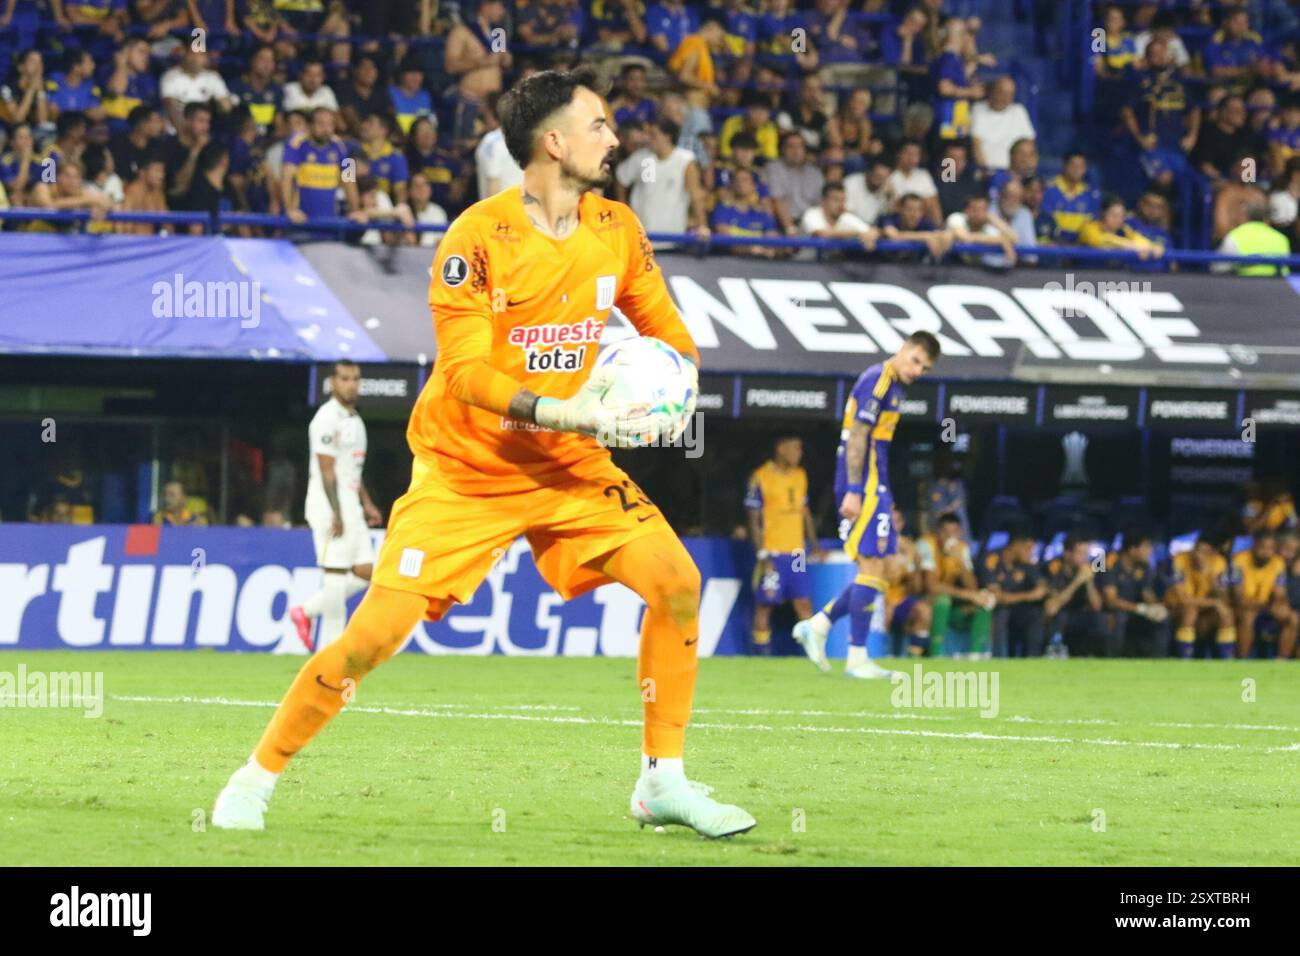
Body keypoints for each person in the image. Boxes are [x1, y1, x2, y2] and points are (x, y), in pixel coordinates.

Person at [211, 68, 756, 840]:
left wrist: (670, 393)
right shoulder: (476, 238)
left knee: (676, 584)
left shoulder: (618, 231)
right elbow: (464, 373)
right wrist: (566, 407)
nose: (614, 138)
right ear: (553, 142)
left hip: (568, 466)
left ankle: (661, 781)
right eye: (598, 125)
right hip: (467, 473)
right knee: (371, 639)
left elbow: (670, 337)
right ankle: (255, 776)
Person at [791, 332, 941, 677]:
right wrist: (855, 489)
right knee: (872, 564)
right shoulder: (878, 380)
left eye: (925, 368)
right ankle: (857, 657)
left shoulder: (896, 386)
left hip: (878, 482)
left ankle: (819, 623)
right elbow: (856, 436)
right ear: (903, 348)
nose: (918, 370)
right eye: (916, 360)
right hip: (865, 482)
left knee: (886, 567)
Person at [288, 361, 384, 652]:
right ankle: (331, 652)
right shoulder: (325, 418)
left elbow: (350, 469)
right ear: (333, 382)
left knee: (368, 572)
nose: (351, 384)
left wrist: (366, 503)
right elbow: (326, 469)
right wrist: (336, 512)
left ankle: (306, 612)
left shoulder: (354, 419)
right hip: (329, 507)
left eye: (355, 379)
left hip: (351, 505)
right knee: (335, 575)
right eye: (344, 379)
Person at [744, 436, 823, 655]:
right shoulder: (761, 477)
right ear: (781, 449)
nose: (800, 453)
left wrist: (814, 544)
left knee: (803, 603)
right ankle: (762, 656)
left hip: (797, 553)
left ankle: (813, 655)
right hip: (773, 553)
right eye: (796, 448)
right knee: (766, 604)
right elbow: (753, 516)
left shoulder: (800, 476)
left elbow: (805, 513)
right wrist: (762, 553)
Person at [1101, 530, 1168, 658]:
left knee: (1162, 618)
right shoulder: (1106, 561)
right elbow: (1110, 600)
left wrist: (1156, 607)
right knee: (1119, 619)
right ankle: (1112, 661)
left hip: (1133, 611)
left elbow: (1146, 592)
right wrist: (1140, 608)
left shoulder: (1145, 567)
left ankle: (1159, 661)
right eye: (1146, 547)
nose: (1150, 551)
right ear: (1132, 549)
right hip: (1107, 611)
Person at [1165, 537, 1235, 660]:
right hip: (1176, 609)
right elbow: (1183, 599)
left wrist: (1213, 582)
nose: (1199, 556)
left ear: (1212, 554)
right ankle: (1185, 660)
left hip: (1205, 610)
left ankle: (1227, 660)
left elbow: (1224, 599)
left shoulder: (1218, 563)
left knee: (1226, 613)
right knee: (1190, 611)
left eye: (1205, 552)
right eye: (1198, 551)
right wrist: (1214, 602)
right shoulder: (1179, 560)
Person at [1231, 532, 1296, 659]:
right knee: (1248, 616)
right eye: (1262, 547)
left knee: (1292, 618)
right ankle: (1242, 660)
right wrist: (1263, 605)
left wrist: (1279, 604)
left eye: (1270, 548)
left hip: (1265, 606)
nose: (1266, 552)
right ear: (1254, 546)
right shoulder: (1239, 560)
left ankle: (1281, 662)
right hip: (1243, 606)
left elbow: (1280, 593)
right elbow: (1238, 596)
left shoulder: (1278, 562)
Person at [983, 527, 1046, 657]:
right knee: (1001, 612)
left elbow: (1042, 587)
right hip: (991, 609)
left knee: (1036, 614)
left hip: (1016, 611)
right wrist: (1028, 596)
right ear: (1016, 545)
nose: (1031, 553)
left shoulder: (1026, 564)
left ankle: (1033, 660)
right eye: (1028, 549)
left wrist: (1041, 588)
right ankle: (998, 659)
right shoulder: (992, 559)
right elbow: (997, 597)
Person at [1043, 536, 1106, 657]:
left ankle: (1098, 657)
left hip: (1080, 615)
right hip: (1059, 616)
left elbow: (1097, 606)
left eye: (1086, 554)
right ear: (1067, 553)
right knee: (1060, 616)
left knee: (1099, 619)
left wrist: (1089, 582)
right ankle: (1054, 651)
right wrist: (1077, 582)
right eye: (1080, 553)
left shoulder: (1092, 569)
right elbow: (1051, 608)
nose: (1084, 558)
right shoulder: (1053, 568)